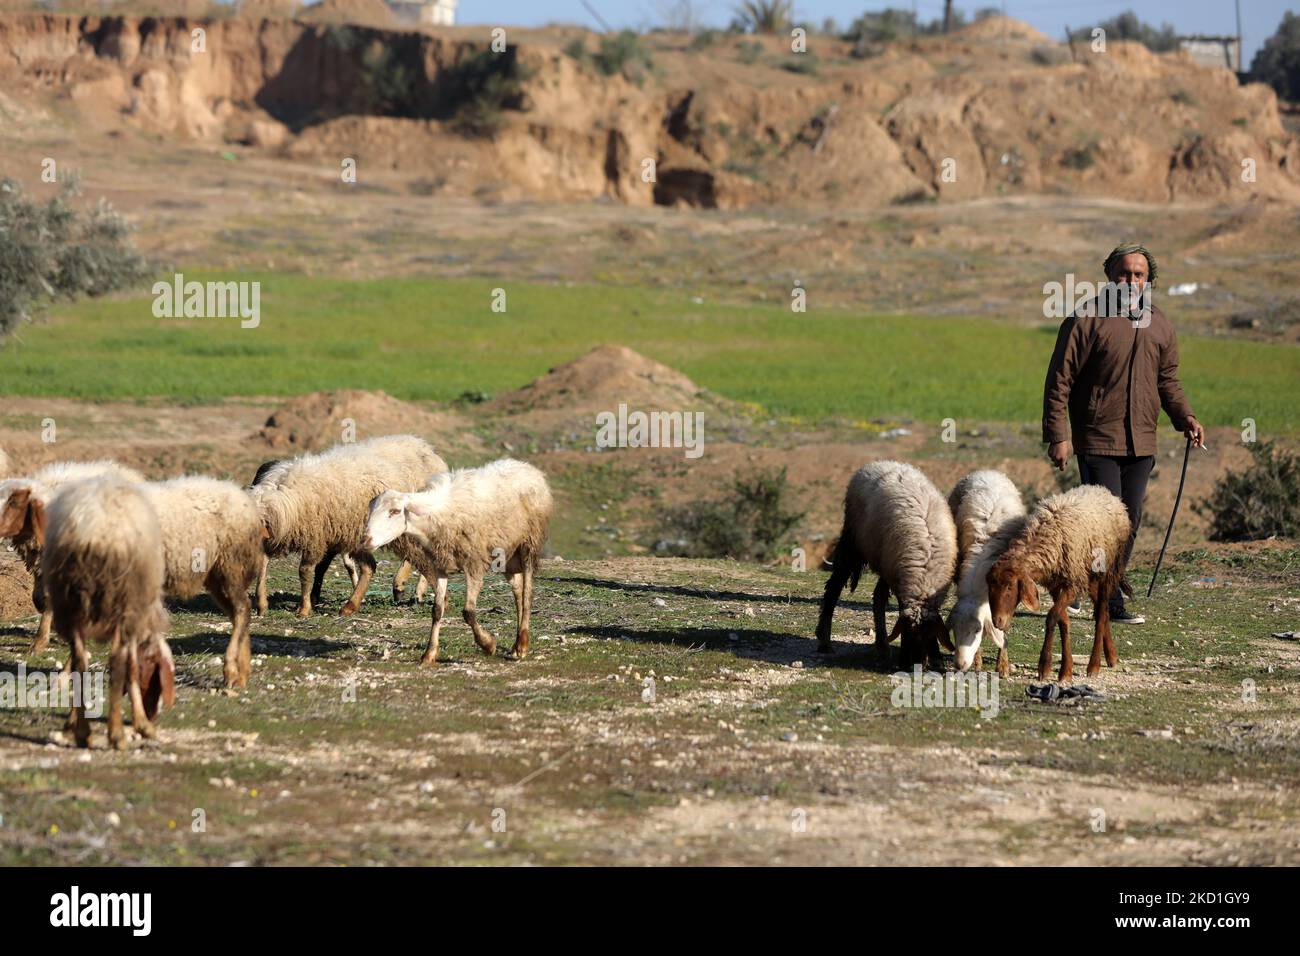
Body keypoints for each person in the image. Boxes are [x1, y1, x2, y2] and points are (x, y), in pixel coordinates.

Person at [1042, 243, 1205, 624]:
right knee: (1104, 524)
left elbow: (1168, 382)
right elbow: (1059, 380)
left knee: (1129, 523)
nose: (1130, 280)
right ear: (1109, 275)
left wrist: (1187, 418)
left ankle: (1087, 583)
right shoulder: (1085, 318)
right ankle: (1109, 600)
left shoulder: (1160, 324)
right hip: (1097, 437)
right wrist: (1058, 435)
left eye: (1138, 275)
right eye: (1123, 273)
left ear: (1149, 280)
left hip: (1142, 440)